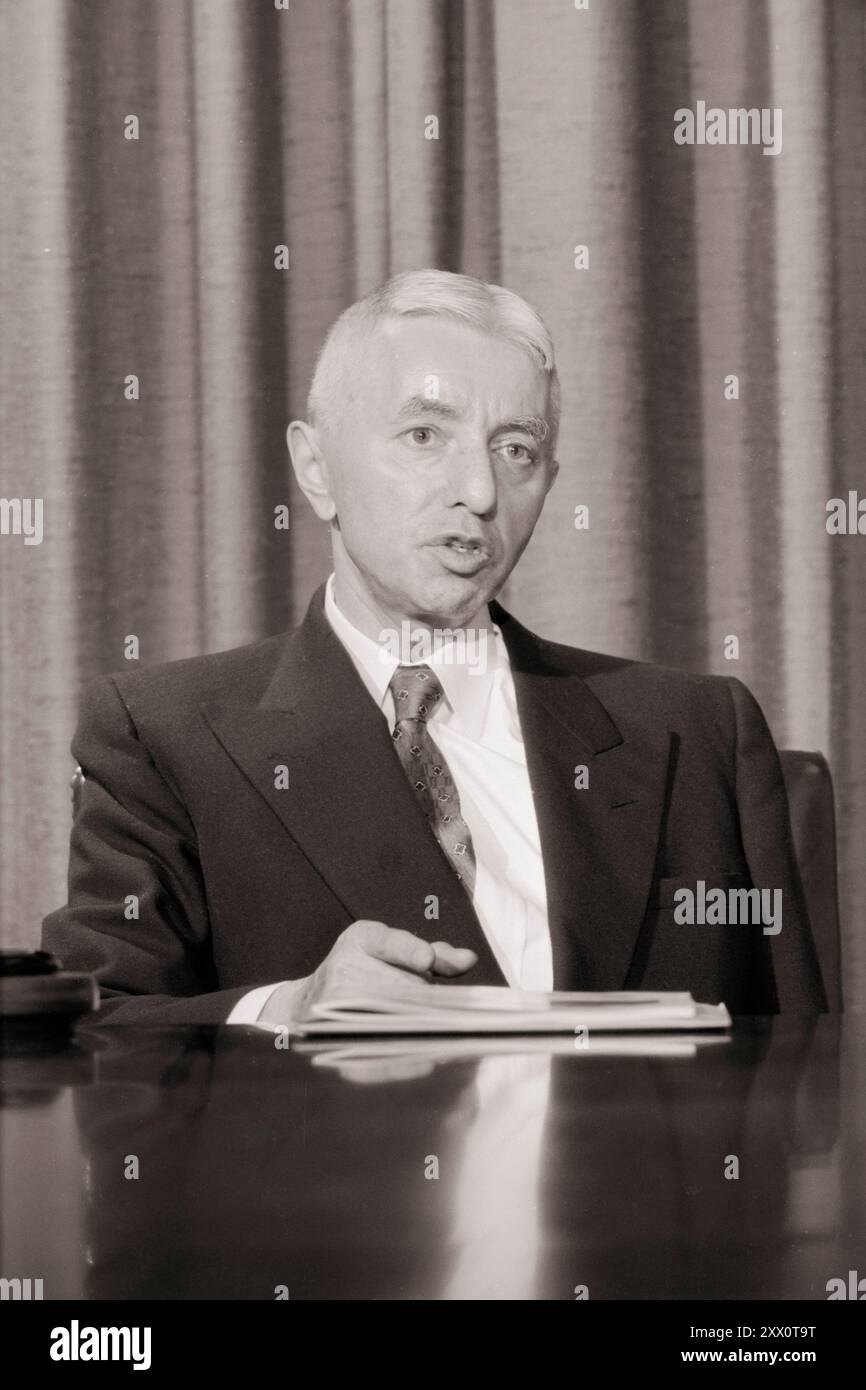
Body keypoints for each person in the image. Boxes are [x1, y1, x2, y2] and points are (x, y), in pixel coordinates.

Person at [42, 269, 827, 1023]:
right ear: (315, 469)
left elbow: (798, 1076)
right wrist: (286, 1010)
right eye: (425, 434)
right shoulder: (166, 738)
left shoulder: (698, 732)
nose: (480, 493)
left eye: (515, 448)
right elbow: (99, 1031)